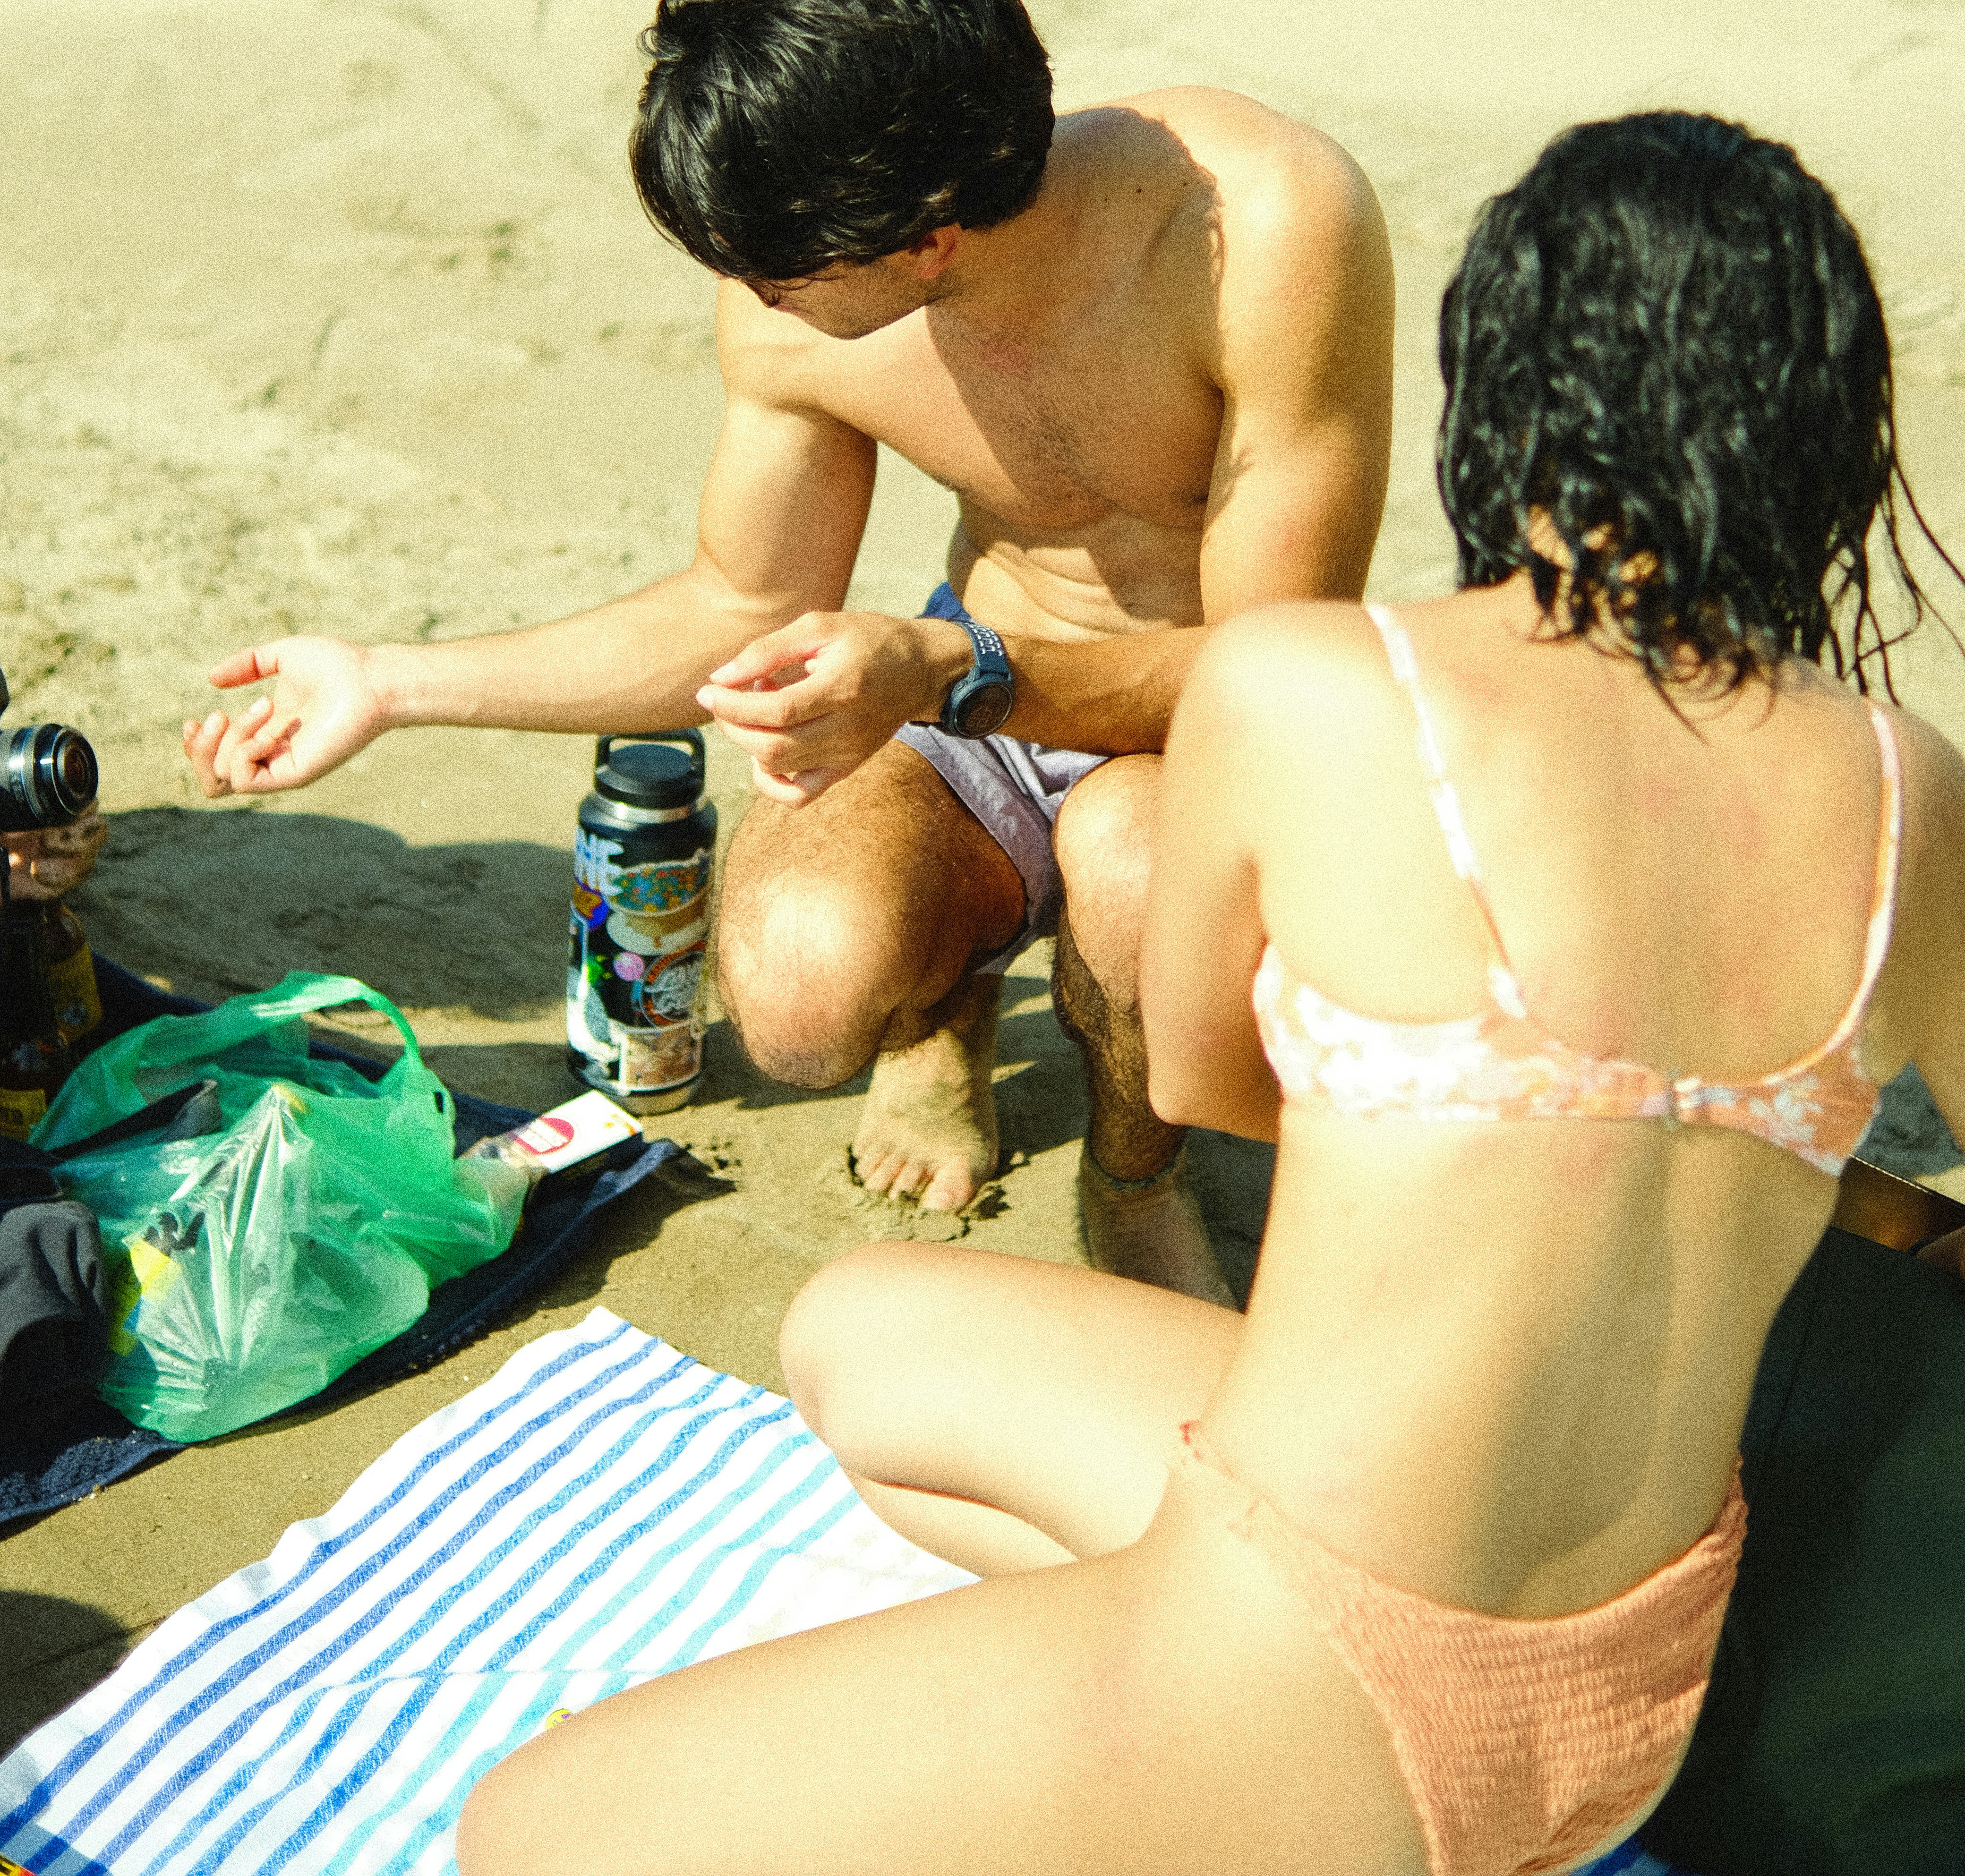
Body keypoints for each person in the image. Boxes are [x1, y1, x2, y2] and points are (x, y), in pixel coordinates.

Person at [454, 108, 1965, 1876]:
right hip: (1638, 1678)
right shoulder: (1906, 788)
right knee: (862, 1340)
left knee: (533, 1829)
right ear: (1823, 424)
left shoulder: (1317, 688)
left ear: (1506, 390)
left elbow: (1210, 1081)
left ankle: (1234, 1798)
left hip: (1329, 1651)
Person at [184, 0, 1393, 1297]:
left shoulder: (1261, 227)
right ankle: (941, 1005)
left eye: (772, 270)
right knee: (801, 993)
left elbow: (1276, 675)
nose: (744, 295)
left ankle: (1135, 1171)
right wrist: (391, 682)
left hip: (1200, 736)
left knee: (1132, 880)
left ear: (928, 238)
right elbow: (735, 601)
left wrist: (949, 670)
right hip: (963, 682)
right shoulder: (797, 269)